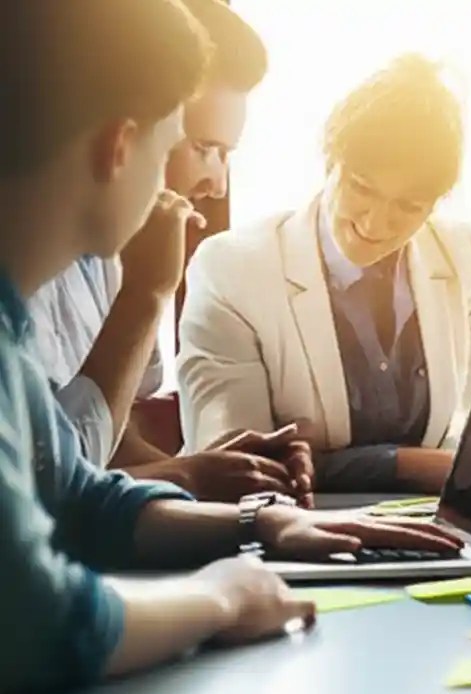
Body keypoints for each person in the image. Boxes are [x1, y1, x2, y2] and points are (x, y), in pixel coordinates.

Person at [0, 1, 461, 694]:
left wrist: (262, 522)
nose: (207, 183)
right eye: (178, 147)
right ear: (120, 148)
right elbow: (41, 622)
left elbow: (79, 493)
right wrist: (226, 598)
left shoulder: (13, 333)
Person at [25, 0, 312, 507]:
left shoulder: (114, 254)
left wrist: (207, 469)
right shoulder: (33, 262)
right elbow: (47, 480)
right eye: (203, 146)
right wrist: (146, 296)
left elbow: (108, 445)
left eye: (227, 155)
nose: (218, 183)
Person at [178, 54, 471, 495]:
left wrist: (339, 463)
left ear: (436, 202)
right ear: (331, 162)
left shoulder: (459, 254)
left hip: (425, 521)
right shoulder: (234, 269)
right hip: (283, 527)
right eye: (362, 188)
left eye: (409, 206)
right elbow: (234, 464)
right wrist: (405, 465)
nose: (375, 224)